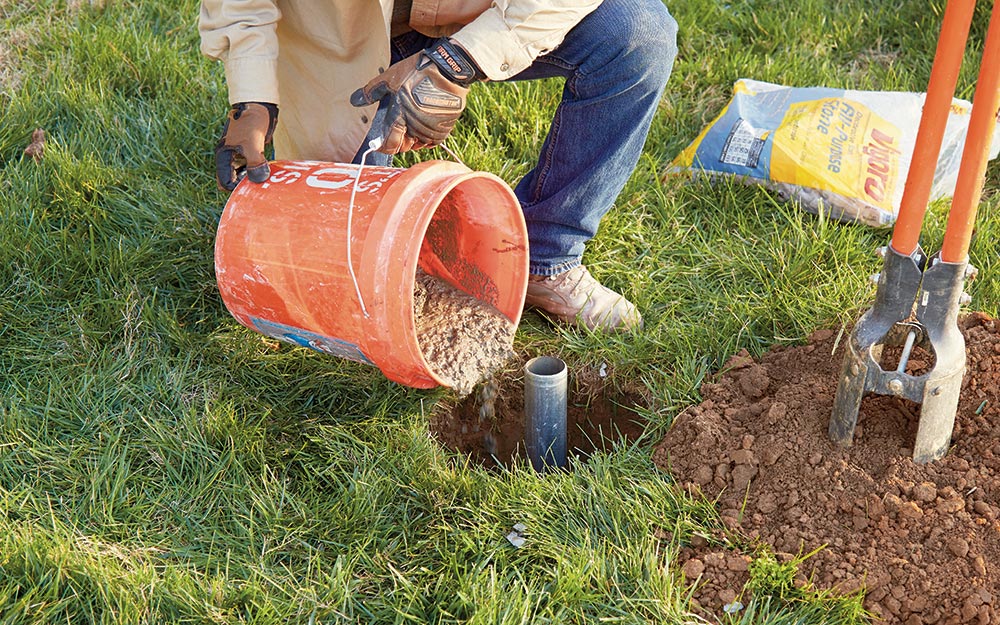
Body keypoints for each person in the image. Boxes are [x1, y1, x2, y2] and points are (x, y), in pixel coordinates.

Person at [200, 0, 677, 332]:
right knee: (340, 261)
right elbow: (241, 6)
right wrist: (253, 100)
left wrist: (459, 61)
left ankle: (545, 259)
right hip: (338, 43)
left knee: (636, 33)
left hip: (478, 19)